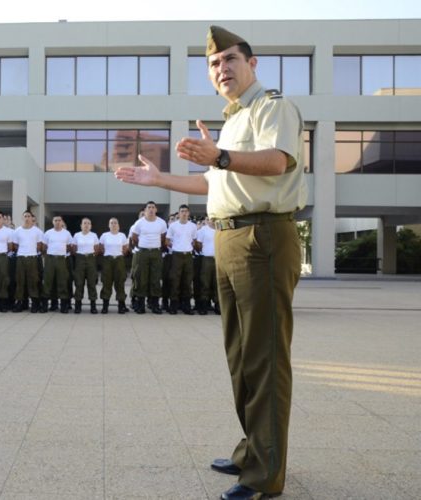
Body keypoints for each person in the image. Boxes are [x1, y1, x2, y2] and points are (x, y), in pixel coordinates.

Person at [115, 25, 307, 500]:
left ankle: (265, 474)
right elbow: (212, 184)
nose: (222, 69)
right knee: (240, 356)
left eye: (230, 59)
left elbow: (277, 161)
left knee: (265, 357)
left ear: (252, 64)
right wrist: (160, 179)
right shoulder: (233, 120)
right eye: (214, 64)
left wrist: (220, 155)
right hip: (229, 237)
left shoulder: (271, 107)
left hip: (262, 236)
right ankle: (252, 451)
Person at [129, 201, 167, 314]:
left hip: (156, 252)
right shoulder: (139, 223)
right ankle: (140, 305)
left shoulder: (161, 223)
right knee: (142, 278)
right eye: (149, 207)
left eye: (153, 207)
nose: (151, 209)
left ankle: (154, 305)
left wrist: (155, 246)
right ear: (145, 210)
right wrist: (142, 246)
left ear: (156, 210)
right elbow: (134, 237)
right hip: (143, 253)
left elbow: (163, 237)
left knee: (155, 278)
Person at [165, 204, 198, 315]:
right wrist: (176, 247)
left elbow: (194, 241)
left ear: (188, 213)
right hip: (176, 255)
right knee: (175, 281)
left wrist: (187, 248)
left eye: (186, 211)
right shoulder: (173, 226)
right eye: (182, 211)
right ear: (178, 213)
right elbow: (167, 241)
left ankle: (186, 306)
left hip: (188, 255)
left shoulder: (192, 226)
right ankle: (173, 306)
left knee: (187, 281)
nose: (184, 213)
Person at [11, 210, 43, 313]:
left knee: (33, 280)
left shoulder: (37, 231)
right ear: (22, 218)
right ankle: (20, 302)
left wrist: (31, 252)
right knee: (20, 280)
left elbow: (39, 246)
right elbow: (15, 245)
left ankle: (34, 303)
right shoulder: (17, 231)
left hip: (32, 258)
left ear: (32, 218)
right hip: (20, 258)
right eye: (25, 216)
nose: (27, 218)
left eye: (29, 216)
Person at [41, 215, 72, 313]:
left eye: (59, 220)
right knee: (48, 281)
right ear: (53, 222)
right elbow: (44, 247)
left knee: (62, 281)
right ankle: (45, 305)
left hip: (61, 259)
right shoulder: (48, 233)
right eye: (55, 220)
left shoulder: (66, 233)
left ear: (62, 222)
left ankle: (63, 306)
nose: (58, 222)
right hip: (50, 259)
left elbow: (69, 247)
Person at [98, 218, 129, 314]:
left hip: (119, 259)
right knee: (106, 282)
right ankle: (105, 306)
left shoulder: (122, 235)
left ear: (118, 225)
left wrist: (118, 255)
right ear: (109, 225)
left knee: (120, 282)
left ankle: (121, 305)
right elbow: (101, 248)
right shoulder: (104, 235)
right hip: (108, 259)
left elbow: (125, 248)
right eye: (111, 223)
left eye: (115, 223)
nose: (113, 224)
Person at [70, 217, 100, 314]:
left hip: (91, 258)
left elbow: (97, 248)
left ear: (91, 226)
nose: (86, 225)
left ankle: (93, 306)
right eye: (84, 223)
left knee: (92, 283)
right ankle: (78, 305)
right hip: (80, 259)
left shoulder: (94, 235)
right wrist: (79, 256)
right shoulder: (77, 235)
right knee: (79, 283)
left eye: (88, 223)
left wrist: (92, 255)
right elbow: (73, 248)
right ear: (81, 225)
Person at [194, 217, 220, 315]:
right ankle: (204, 305)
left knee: (217, 283)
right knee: (205, 282)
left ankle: (218, 305)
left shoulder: (220, 228)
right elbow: (198, 244)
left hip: (218, 259)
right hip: (207, 258)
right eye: (209, 219)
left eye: (213, 219)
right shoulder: (203, 230)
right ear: (207, 220)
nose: (211, 221)